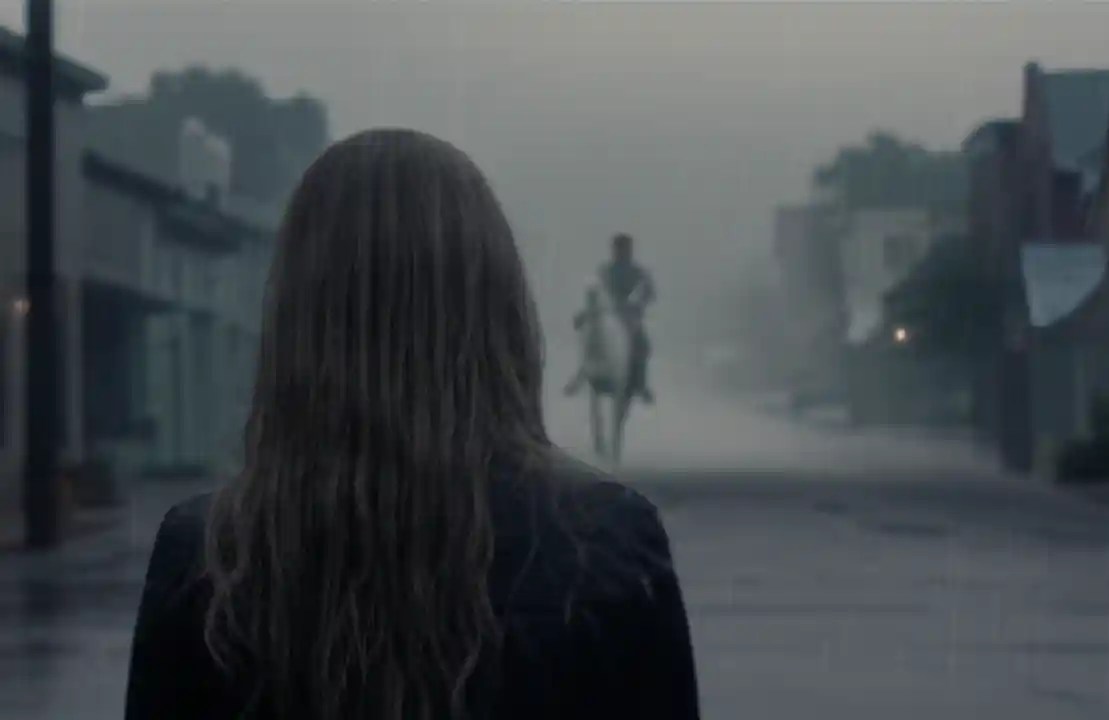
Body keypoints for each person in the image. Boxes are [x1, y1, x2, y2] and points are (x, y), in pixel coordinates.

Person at [124, 129, 699, 720]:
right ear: (498, 307)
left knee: (638, 342)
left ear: (297, 312)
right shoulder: (610, 536)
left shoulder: (205, 550)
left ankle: (643, 377)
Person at [564, 233, 656, 403]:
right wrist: (585, 313)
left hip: (628, 317)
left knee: (642, 344)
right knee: (590, 337)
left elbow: (650, 293)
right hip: (607, 312)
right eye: (618, 249)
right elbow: (596, 295)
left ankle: (641, 383)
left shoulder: (638, 273)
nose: (620, 252)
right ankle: (581, 375)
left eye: (624, 249)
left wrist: (638, 305)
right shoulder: (605, 271)